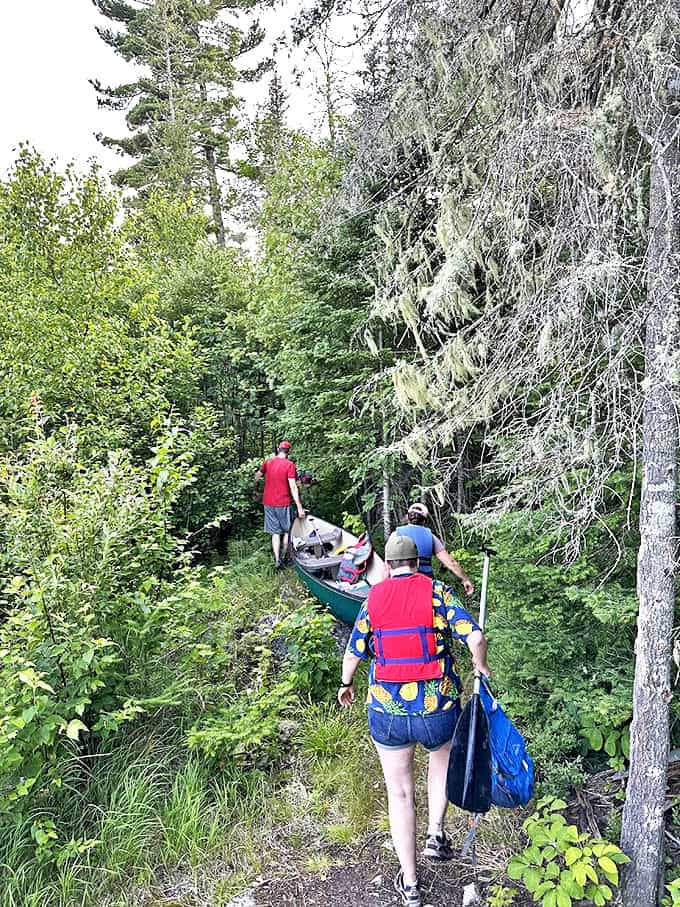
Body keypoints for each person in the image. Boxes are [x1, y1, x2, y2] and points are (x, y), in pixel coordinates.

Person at [338, 533, 490, 907]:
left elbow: (354, 652)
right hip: (437, 709)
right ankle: (436, 835)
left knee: (399, 792)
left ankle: (410, 884)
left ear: (387, 566)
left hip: (387, 713)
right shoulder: (438, 592)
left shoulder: (373, 599)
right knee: (440, 764)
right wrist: (480, 666)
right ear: (421, 562)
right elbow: (476, 636)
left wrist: (346, 685)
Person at [397, 502, 474, 595]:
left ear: (407, 517)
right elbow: (451, 563)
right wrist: (465, 579)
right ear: (424, 521)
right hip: (424, 586)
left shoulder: (396, 534)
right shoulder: (431, 537)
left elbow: (388, 564)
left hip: (401, 584)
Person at [253, 441, 305, 568]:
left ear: (278, 449)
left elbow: (257, 476)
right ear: (288, 452)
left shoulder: (268, 462)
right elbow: (293, 486)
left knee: (275, 533)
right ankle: (286, 557)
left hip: (268, 502)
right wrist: (299, 507)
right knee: (287, 531)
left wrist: (255, 490)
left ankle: (277, 560)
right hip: (283, 502)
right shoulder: (289, 465)